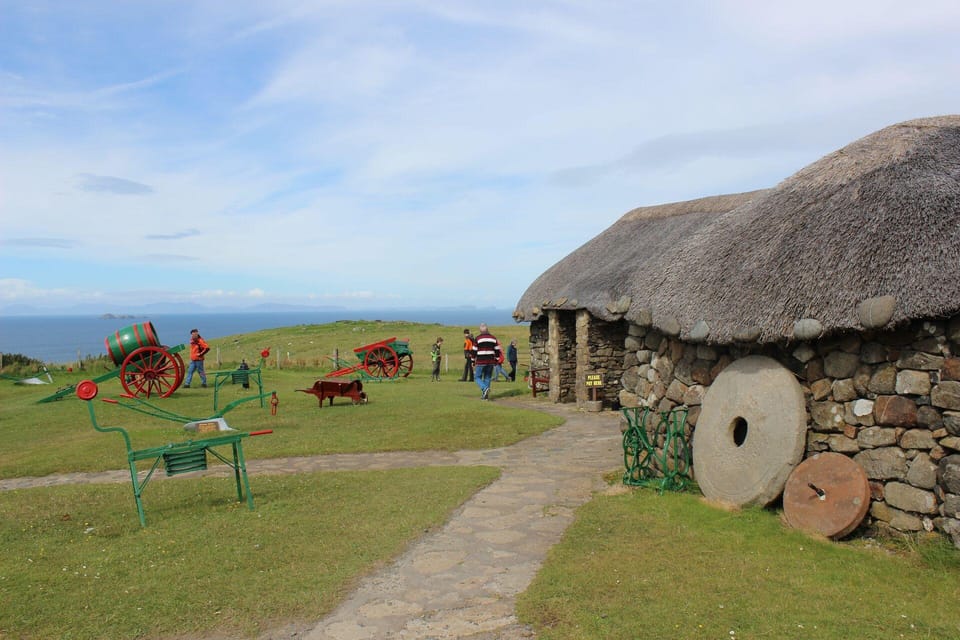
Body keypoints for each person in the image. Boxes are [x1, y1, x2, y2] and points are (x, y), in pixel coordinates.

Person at [472, 323, 502, 400]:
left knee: (477, 377)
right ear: (487, 329)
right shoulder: (493, 338)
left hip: (481, 361)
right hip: (491, 361)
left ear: (480, 330)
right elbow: (497, 350)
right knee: (487, 377)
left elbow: (474, 351)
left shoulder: (478, 338)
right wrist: (497, 360)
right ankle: (485, 396)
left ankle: (484, 388)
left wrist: (473, 361)